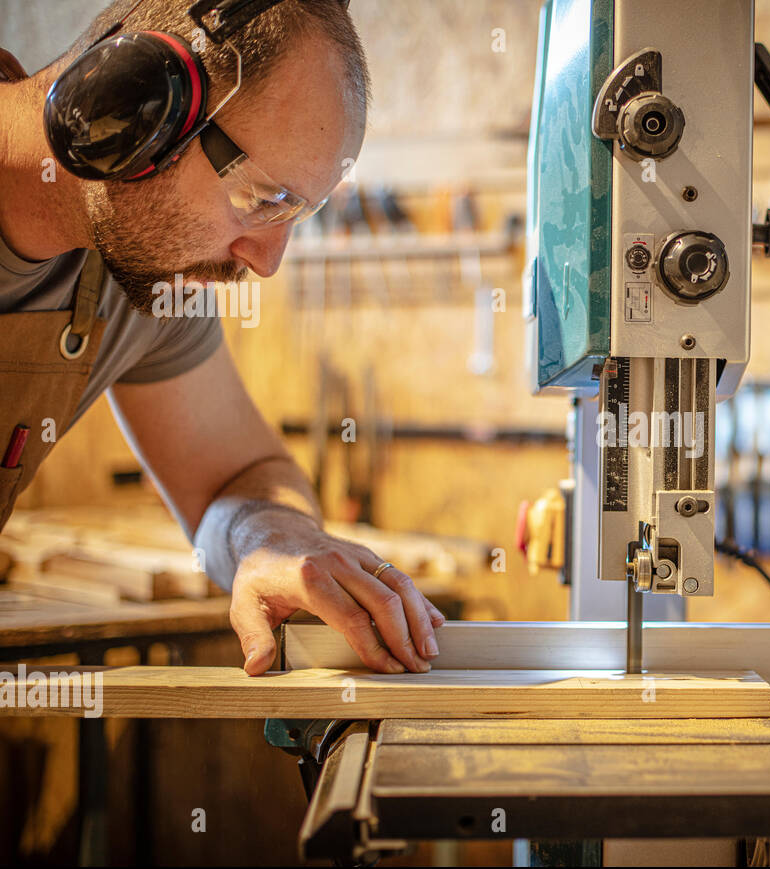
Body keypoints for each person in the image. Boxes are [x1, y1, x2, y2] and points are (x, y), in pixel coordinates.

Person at [0, 0, 444, 675]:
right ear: (132, 108)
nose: (267, 261)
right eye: (263, 199)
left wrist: (271, 539)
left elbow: (233, 478)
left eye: (298, 213)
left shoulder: (139, 270)